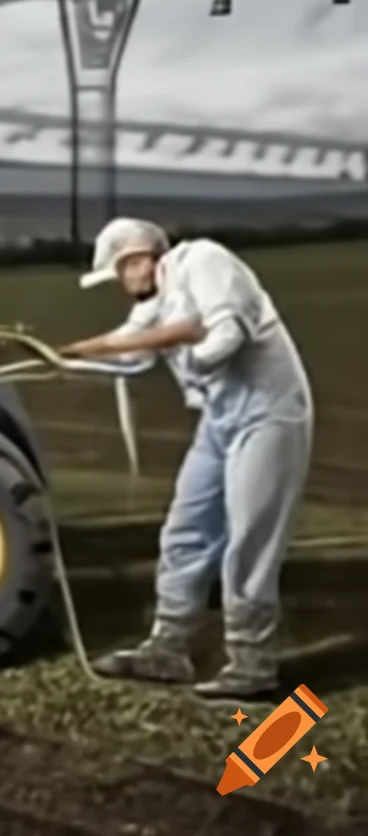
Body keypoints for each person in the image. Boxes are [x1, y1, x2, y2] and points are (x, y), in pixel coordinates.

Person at [61, 218, 313, 698]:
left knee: (249, 539)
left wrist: (188, 351)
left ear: (138, 258)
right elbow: (128, 351)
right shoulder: (156, 301)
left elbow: (228, 333)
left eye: (121, 272)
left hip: (267, 415)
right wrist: (61, 361)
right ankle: (168, 647)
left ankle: (252, 663)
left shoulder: (204, 261)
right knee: (185, 528)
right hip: (219, 421)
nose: (122, 284)